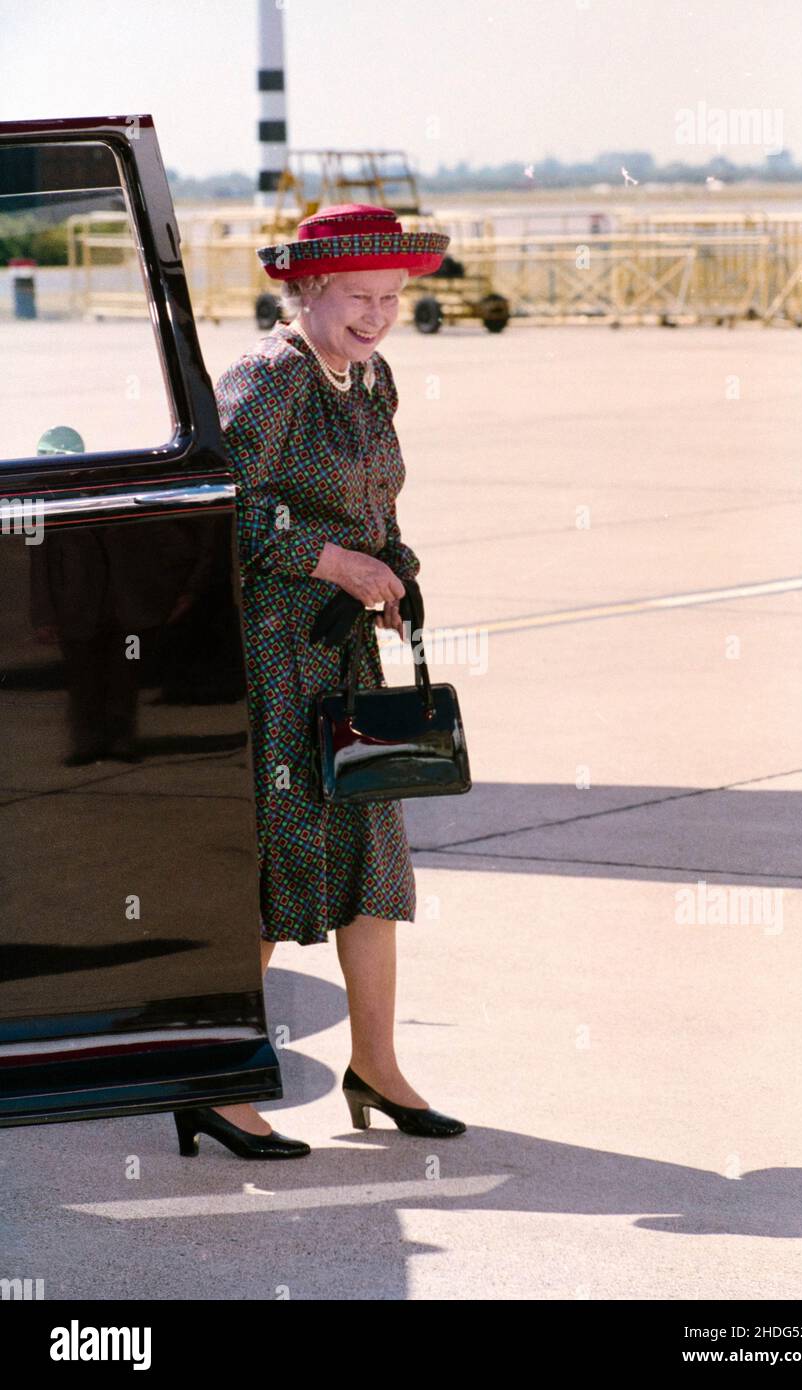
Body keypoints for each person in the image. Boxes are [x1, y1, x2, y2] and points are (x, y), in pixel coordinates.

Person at [175, 206, 466, 1160]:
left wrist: (391, 570)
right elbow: (213, 505)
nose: (377, 315)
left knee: (371, 858)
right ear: (305, 293)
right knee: (271, 859)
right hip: (270, 652)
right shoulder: (270, 377)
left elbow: (375, 498)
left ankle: (375, 1067)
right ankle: (214, 1084)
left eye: (390, 298)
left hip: (340, 652)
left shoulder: (368, 377)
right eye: (357, 298)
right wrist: (331, 560)